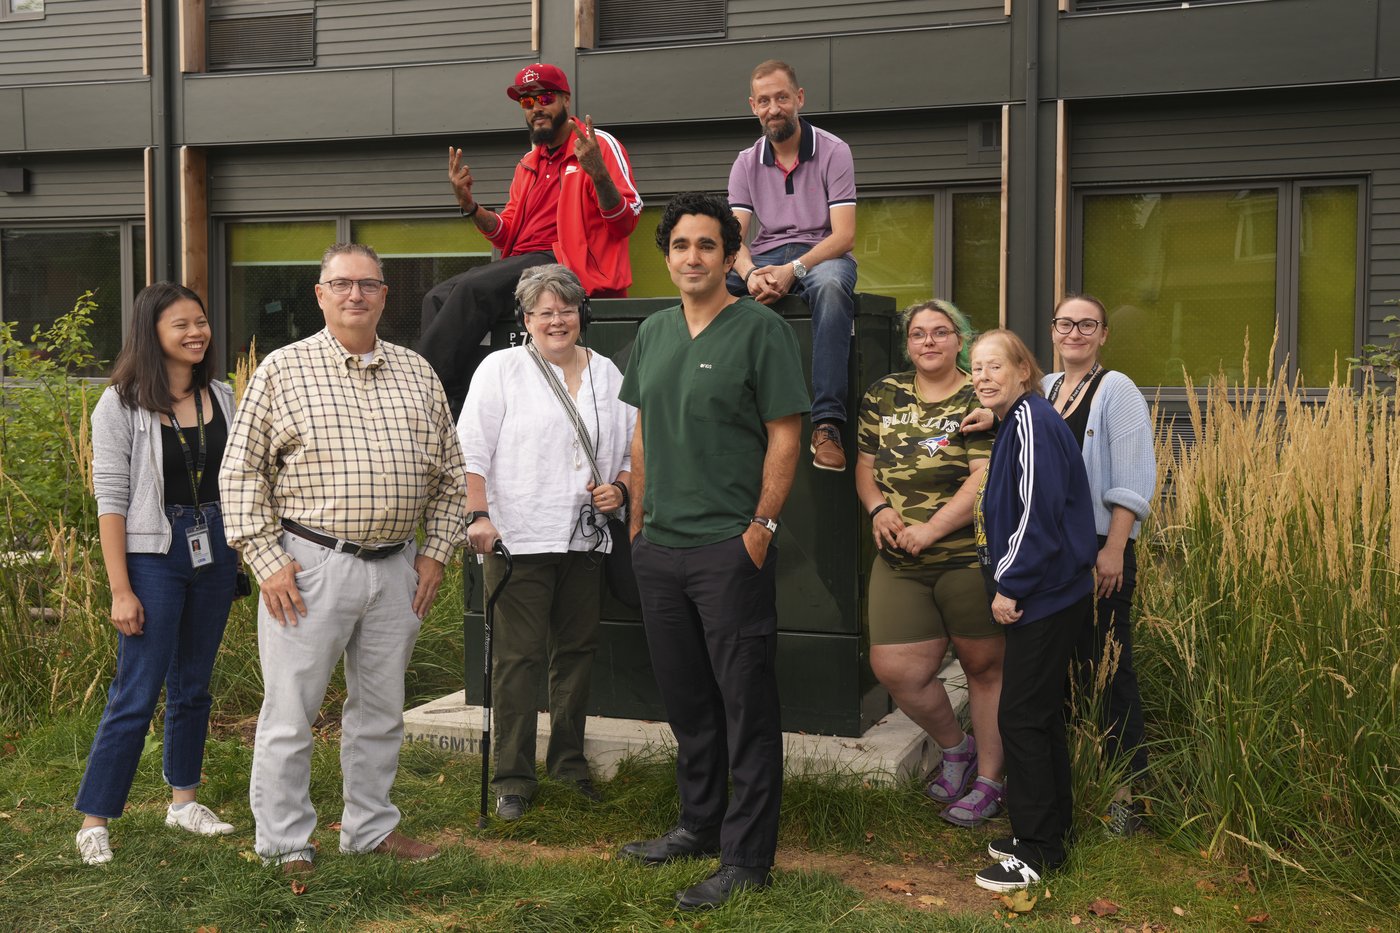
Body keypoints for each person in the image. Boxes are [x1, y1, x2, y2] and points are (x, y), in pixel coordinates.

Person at [220, 243, 467, 876]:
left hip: (397, 568)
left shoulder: (418, 372)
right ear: (320, 294)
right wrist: (266, 560)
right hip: (307, 567)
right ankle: (283, 843)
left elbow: (450, 477)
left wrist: (435, 554)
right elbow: (241, 473)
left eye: (368, 284)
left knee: (381, 710)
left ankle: (371, 829)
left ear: (386, 295)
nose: (355, 295)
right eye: (341, 284)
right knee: (290, 713)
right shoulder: (283, 370)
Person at [616, 192, 809, 910]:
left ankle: (747, 857)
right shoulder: (655, 333)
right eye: (680, 246)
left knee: (746, 707)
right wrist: (638, 524)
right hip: (659, 548)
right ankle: (697, 825)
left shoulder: (760, 331)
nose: (692, 257)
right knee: (689, 703)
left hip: (730, 550)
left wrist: (760, 527)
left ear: (730, 257)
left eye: (707, 245)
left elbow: (786, 435)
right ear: (665, 258)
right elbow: (640, 433)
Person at [456, 264, 635, 822]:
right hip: (518, 538)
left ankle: (569, 765)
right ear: (526, 319)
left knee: (577, 656)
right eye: (543, 312)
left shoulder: (607, 372)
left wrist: (621, 489)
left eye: (566, 309)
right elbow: (471, 451)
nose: (557, 321)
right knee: (518, 659)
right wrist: (478, 516)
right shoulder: (502, 369)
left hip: (584, 539)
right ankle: (512, 777)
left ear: (583, 313)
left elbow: (631, 452)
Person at [76, 282, 239, 865]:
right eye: (182, 325)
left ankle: (183, 801)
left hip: (216, 549)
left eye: (201, 321)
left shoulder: (223, 394)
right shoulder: (119, 404)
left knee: (193, 683)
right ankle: (95, 818)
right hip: (153, 555)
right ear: (153, 334)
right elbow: (111, 501)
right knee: (137, 690)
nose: (197, 332)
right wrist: (121, 589)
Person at [854, 300, 1005, 829]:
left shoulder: (978, 395)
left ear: (960, 339)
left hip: (968, 556)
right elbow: (865, 468)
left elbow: (983, 477)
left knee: (984, 671)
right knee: (896, 669)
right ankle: (955, 748)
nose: (929, 343)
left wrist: (932, 530)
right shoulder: (884, 394)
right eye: (918, 334)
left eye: (941, 332)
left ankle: (990, 780)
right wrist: (877, 509)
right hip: (900, 559)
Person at [421, 62, 643, 415]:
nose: (536, 107)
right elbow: (506, 231)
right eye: (526, 102)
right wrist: (470, 206)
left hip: (566, 265)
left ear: (565, 99)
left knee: (471, 291)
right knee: (435, 297)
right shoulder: (528, 162)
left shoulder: (596, 145)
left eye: (545, 97)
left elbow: (627, 220)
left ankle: (416, 398)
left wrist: (599, 176)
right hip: (524, 264)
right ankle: (453, 408)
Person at [968, 329, 1098, 893]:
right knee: (1038, 714)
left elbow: (1035, 513)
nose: (983, 376)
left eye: (996, 365)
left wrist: (1010, 584)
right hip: (1052, 592)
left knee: (1020, 716)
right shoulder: (1023, 420)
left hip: (1042, 595)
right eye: (976, 368)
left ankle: (1036, 850)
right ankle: (1051, 832)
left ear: (1024, 371)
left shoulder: (1029, 421)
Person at [1043, 294, 1156, 834]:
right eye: (1066, 323)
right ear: (1053, 330)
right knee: (1064, 671)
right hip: (1051, 554)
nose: (1075, 333)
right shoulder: (1043, 389)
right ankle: (1076, 783)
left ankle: (1129, 798)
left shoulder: (1117, 389)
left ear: (1104, 334)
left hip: (1097, 549)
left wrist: (1113, 549)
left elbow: (1133, 478)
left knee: (1109, 670)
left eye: (1087, 325)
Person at [727, 59, 858, 472]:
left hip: (823, 254)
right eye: (764, 100)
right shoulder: (745, 162)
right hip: (765, 255)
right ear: (753, 106)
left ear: (799, 98)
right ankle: (725, 412)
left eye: (782, 97)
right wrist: (750, 274)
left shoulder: (834, 151)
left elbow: (844, 236)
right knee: (712, 287)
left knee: (833, 287)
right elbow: (733, 240)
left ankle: (827, 425)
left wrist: (793, 271)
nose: (774, 108)